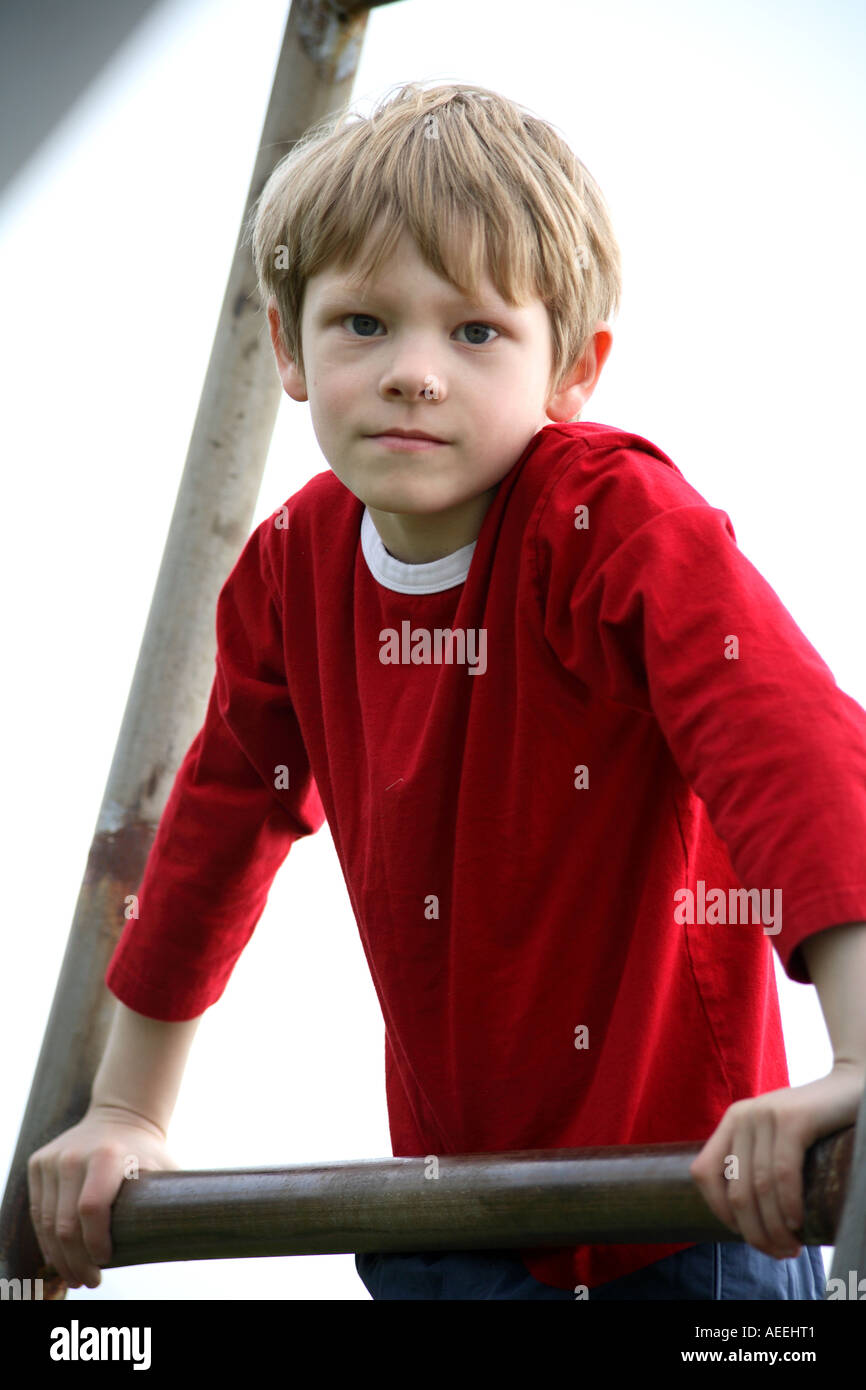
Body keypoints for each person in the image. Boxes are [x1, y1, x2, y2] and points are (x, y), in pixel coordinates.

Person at [27, 80, 865, 1301]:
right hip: (452, 1219)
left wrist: (855, 1051)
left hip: (687, 1207)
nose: (414, 372)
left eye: (474, 332)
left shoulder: (609, 522)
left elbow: (781, 743)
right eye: (362, 322)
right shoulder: (288, 570)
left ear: (571, 368)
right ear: (287, 347)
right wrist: (123, 1111)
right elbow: (215, 829)